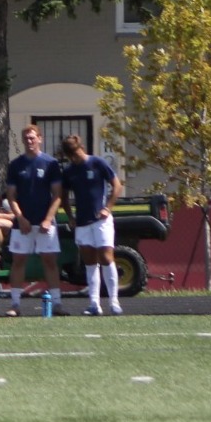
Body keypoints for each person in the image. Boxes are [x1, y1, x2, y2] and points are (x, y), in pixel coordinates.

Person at [4, 124, 65, 316]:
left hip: (45, 224)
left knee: (50, 261)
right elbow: (11, 196)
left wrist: (48, 219)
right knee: (18, 261)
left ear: (40, 138)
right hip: (23, 224)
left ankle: (57, 304)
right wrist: (20, 218)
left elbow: (57, 195)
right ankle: (15, 305)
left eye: (33, 138)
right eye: (26, 138)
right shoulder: (15, 165)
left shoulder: (51, 163)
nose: (29, 141)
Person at [59, 135, 123, 316]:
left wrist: (108, 208)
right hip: (82, 222)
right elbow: (63, 196)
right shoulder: (69, 171)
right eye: (71, 154)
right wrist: (70, 216)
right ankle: (94, 303)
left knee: (106, 257)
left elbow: (116, 185)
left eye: (76, 152)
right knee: (89, 262)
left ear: (81, 147)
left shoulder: (98, 163)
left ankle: (114, 301)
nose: (75, 157)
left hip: (101, 221)